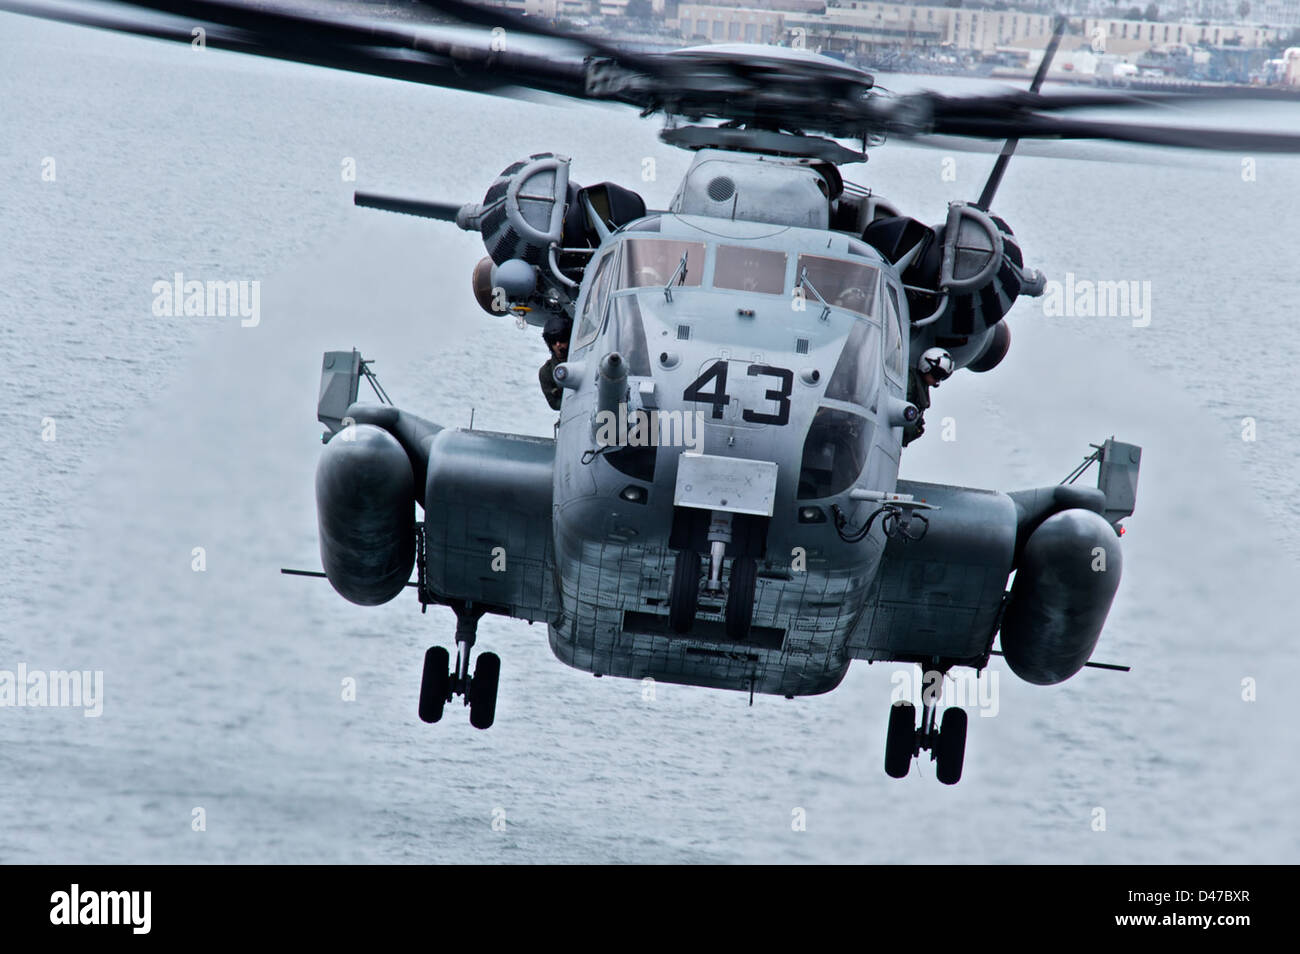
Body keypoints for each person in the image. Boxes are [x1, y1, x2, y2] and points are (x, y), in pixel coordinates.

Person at [902, 347, 954, 447]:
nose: (937, 380)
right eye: (937, 374)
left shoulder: (921, 390)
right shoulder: (910, 380)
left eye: (941, 377)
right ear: (926, 366)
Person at [538, 315, 572, 411]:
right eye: (553, 341)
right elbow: (554, 403)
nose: (558, 344)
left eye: (562, 338)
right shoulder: (546, 372)